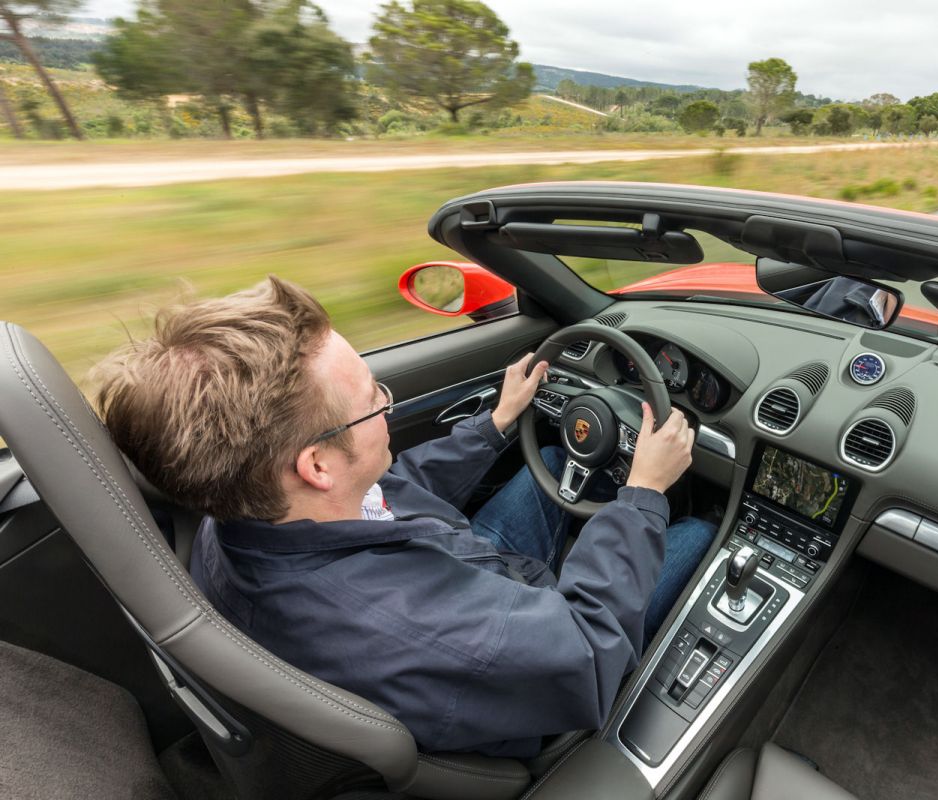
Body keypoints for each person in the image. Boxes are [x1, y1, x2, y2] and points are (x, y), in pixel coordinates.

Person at [92, 276, 716, 758]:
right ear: (315, 465)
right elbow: (587, 647)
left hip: (459, 571)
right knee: (701, 534)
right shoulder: (408, 630)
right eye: (372, 402)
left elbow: (393, 489)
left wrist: (496, 426)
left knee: (549, 456)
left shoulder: (243, 517)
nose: (386, 407)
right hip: (538, 660)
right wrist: (642, 492)